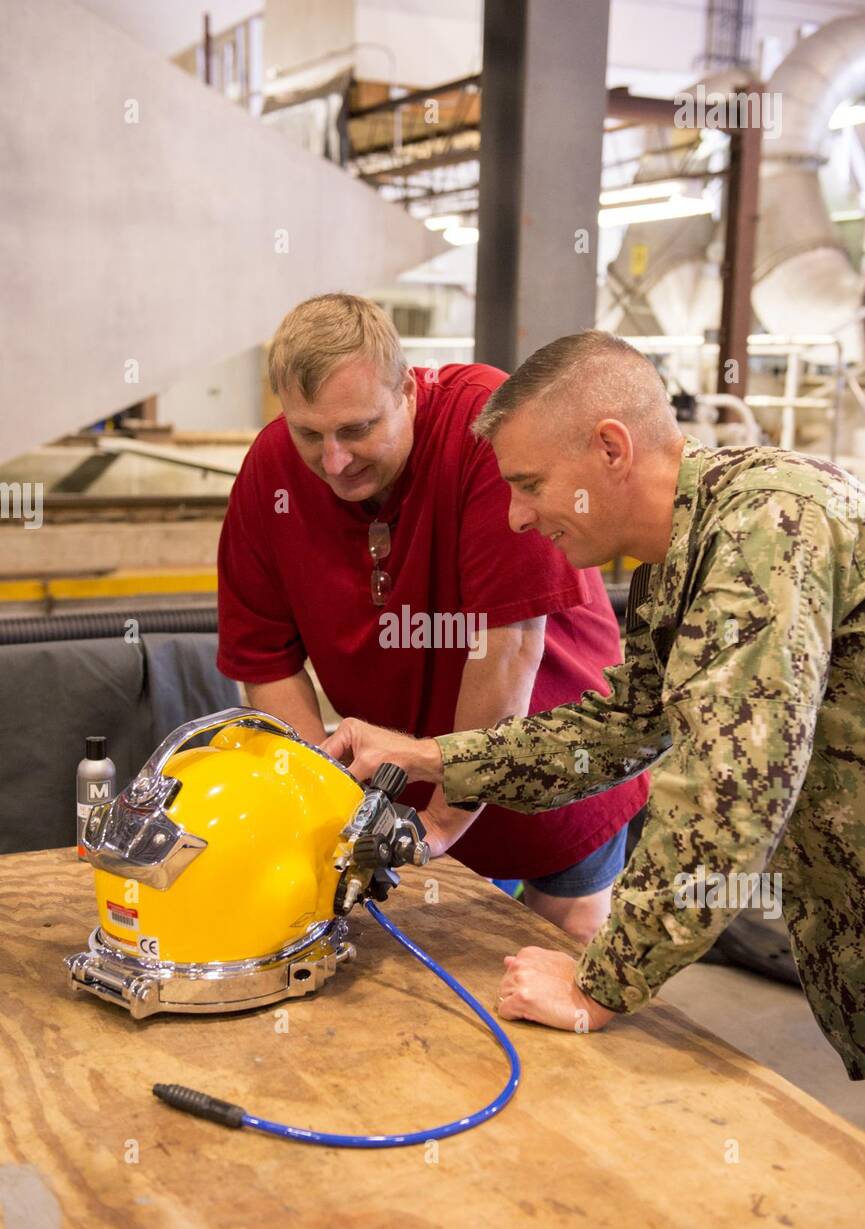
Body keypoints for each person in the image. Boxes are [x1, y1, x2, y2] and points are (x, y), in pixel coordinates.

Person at [323, 329, 865, 1083]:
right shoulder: (677, 562)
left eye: (530, 483)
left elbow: (729, 797)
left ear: (611, 449)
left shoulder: (763, 526)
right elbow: (613, 733)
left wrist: (597, 984)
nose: (514, 516)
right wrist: (424, 755)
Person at [216, 296, 648, 943]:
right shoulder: (271, 469)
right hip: (400, 796)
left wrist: (445, 816)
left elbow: (504, 652)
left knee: (562, 978)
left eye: (358, 430)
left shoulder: (488, 429)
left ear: (408, 390)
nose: (333, 460)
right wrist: (320, 803)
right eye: (309, 433)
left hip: (554, 775)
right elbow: (264, 659)